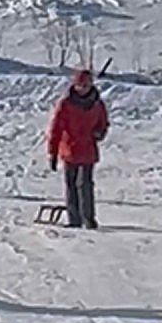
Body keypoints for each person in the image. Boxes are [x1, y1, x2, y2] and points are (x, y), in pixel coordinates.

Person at [47, 69, 109, 229]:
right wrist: (52, 153)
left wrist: (100, 133)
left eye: (86, 85)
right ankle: (74, 219)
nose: (83, 89)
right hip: (69, 150)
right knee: (71, 185)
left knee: (85, 184)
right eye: (80, 85)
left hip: (88, 150)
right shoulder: (66, 104)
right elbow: (56, 129)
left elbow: (103, 123)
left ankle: (88, 219)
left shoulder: (97, 104)